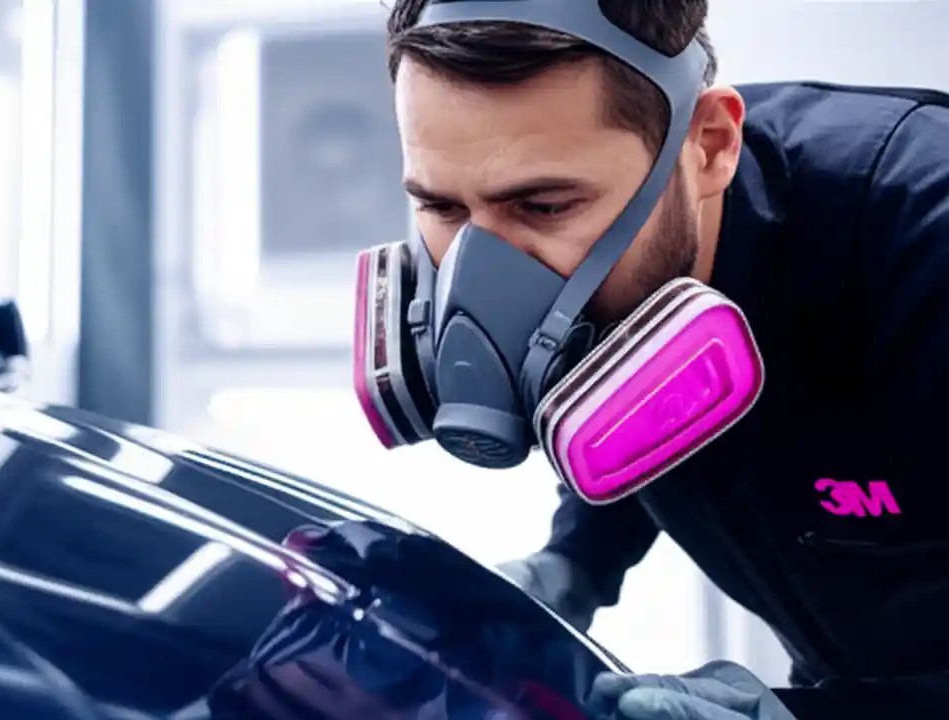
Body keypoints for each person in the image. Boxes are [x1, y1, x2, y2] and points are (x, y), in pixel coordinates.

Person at [380, 0, 949, 717]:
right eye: (443, 209)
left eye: (547, 206)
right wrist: (574, 563)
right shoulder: (637, 307)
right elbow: (643, 407)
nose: (482, 277)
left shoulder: (923, 242)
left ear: (708, 146)